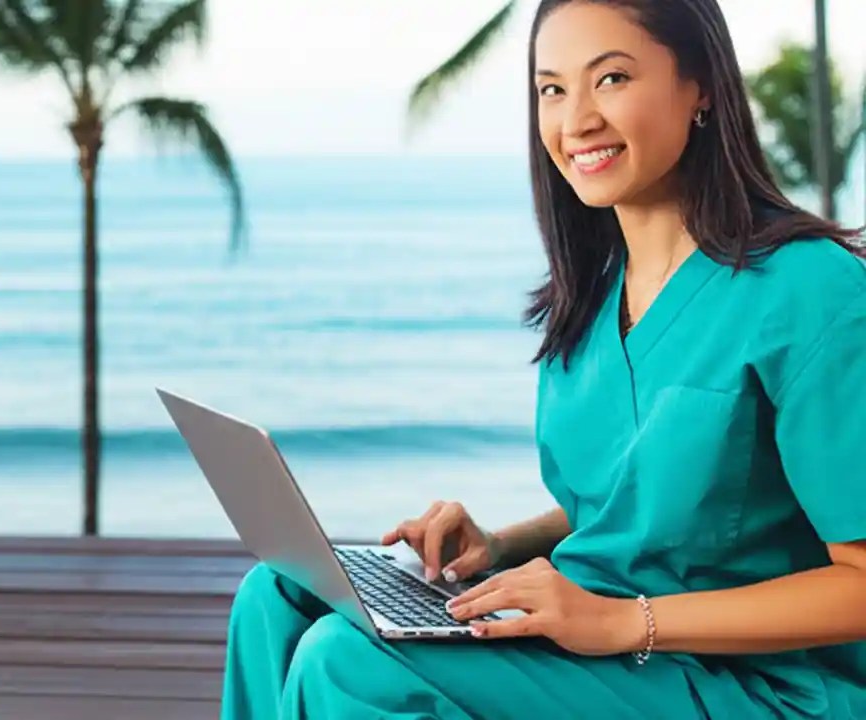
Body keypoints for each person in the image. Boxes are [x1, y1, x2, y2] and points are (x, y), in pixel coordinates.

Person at [220, 0, 866, 717]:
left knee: (343, 663)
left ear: (702, 87)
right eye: (552, 89)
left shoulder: (810, 290)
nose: (576, 119)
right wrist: (499, 548)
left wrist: (624, 621)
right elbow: (652, 500)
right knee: (277, 595)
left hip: (756, 684)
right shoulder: (595, 297)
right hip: (604, 650)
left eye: (612, 78)